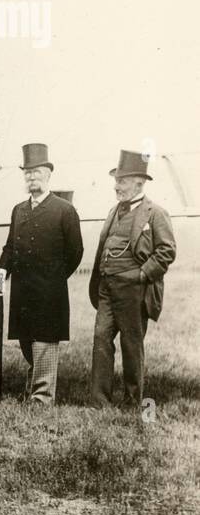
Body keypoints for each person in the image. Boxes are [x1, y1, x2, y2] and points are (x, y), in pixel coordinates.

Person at [0, 144, 83, 404]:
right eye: (28, 173)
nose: (32, 177)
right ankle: (34, 388)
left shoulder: (64, 210)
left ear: (48, 175)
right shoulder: (18, 210)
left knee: (45, 341)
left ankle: (42, 398)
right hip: (22, 289)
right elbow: (9, 246)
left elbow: (75, 251)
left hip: (49, 290)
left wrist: (54, 278)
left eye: (37, 172)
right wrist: (0, 271)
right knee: (26, 341)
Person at [88, 150, 177, 407]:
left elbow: (167, 251)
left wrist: (141, 275)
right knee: (101, 339)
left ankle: (131, 402)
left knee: (131, 343)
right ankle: (99, 403)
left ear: (139, 182)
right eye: (116, 180)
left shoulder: (155, 213)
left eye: (122, 181)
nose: (116, 186)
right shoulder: (113, 211)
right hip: (107, 287)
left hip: (134, 290)